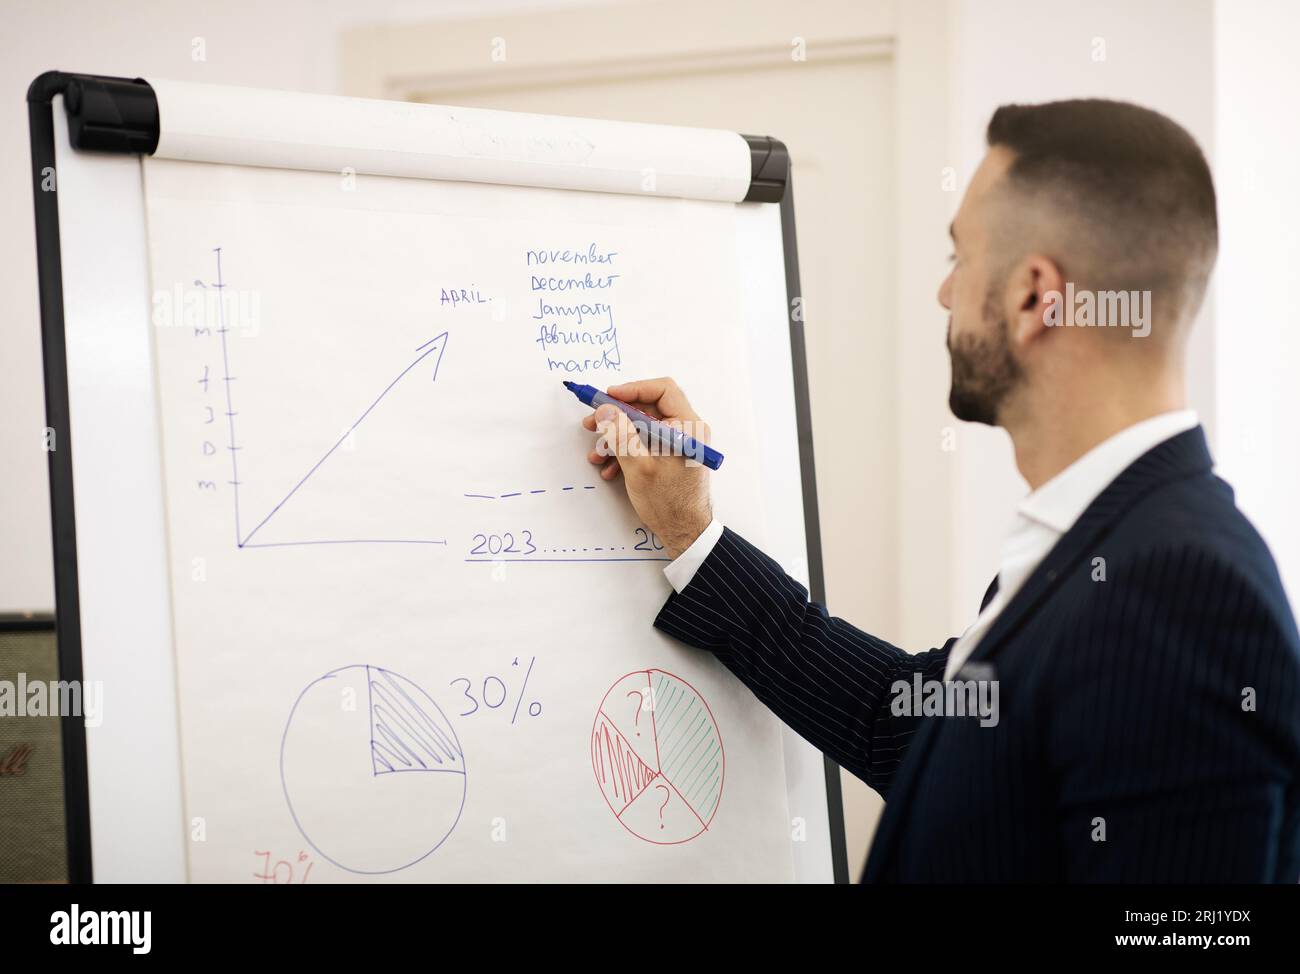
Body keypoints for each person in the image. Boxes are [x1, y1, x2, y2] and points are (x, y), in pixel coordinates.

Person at [577, 99, 1300, 882]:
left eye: (961, 259)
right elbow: (897, 721)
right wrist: (692, 534)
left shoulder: (1174, 594)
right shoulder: (1096, 547)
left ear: (1034, 298)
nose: (945, 294)